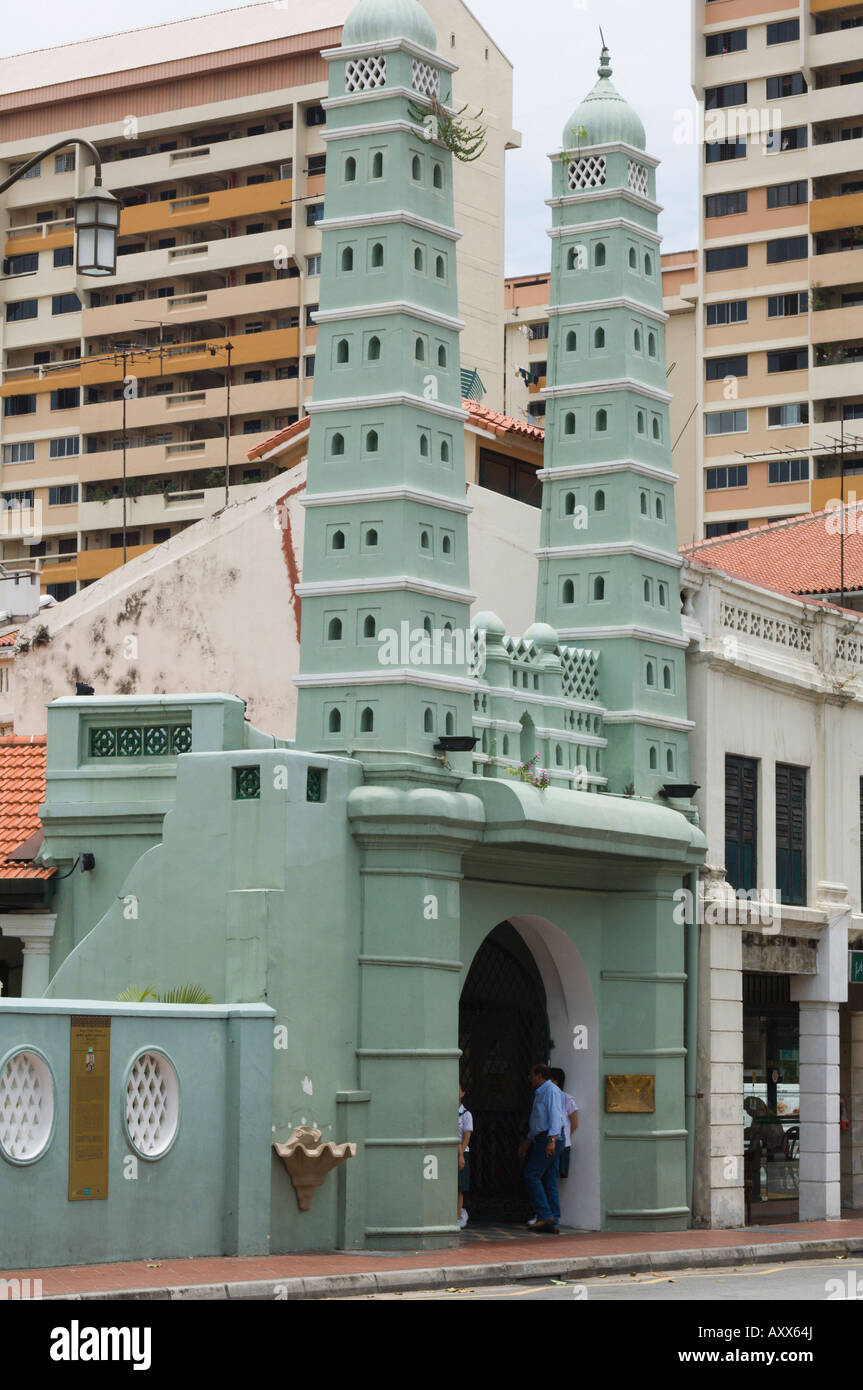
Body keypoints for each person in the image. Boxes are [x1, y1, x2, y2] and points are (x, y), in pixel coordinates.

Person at [517, 1062, 565, 1234]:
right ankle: (554, 1217)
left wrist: (552, 1139)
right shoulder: (541, 1093)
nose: (529, 1078)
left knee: (532, 1174)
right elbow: (538, 1121)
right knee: (550, 1178)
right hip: (544, 1137)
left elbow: (555, 1116)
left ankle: (545, 1215)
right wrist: (528, 1140)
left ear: (539, 1075)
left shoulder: (550, 1091)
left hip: (549, 1138)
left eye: (531, 1075)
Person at [549, 1067, 578, 1180]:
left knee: (556, 1176)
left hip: (562, 1145)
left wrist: (564, 1137)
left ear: (556, 1081)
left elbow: (574, 1123)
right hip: (550, 1142)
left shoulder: (567, 1099)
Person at [457, 1083, 473, 1230]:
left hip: (461, 1152)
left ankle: (458, 1216)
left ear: (463, 1093)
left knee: (459, 1187)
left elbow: (466, 1137)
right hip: (449, 1153)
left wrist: (461, 1155)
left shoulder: (466, 1114)